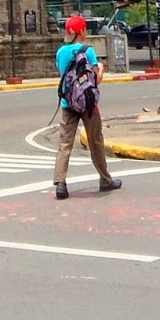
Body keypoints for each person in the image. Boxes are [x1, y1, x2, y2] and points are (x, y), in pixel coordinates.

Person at [50, 15, 120, 200]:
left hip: (68, 104)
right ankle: (105, 180)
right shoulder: (87, 51)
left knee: (65, 144)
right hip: (88, 104)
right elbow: (96, 79)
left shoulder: (60, 53)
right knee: (96, 141)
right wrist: (102, 68)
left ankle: (61, 183)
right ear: (81, 32)